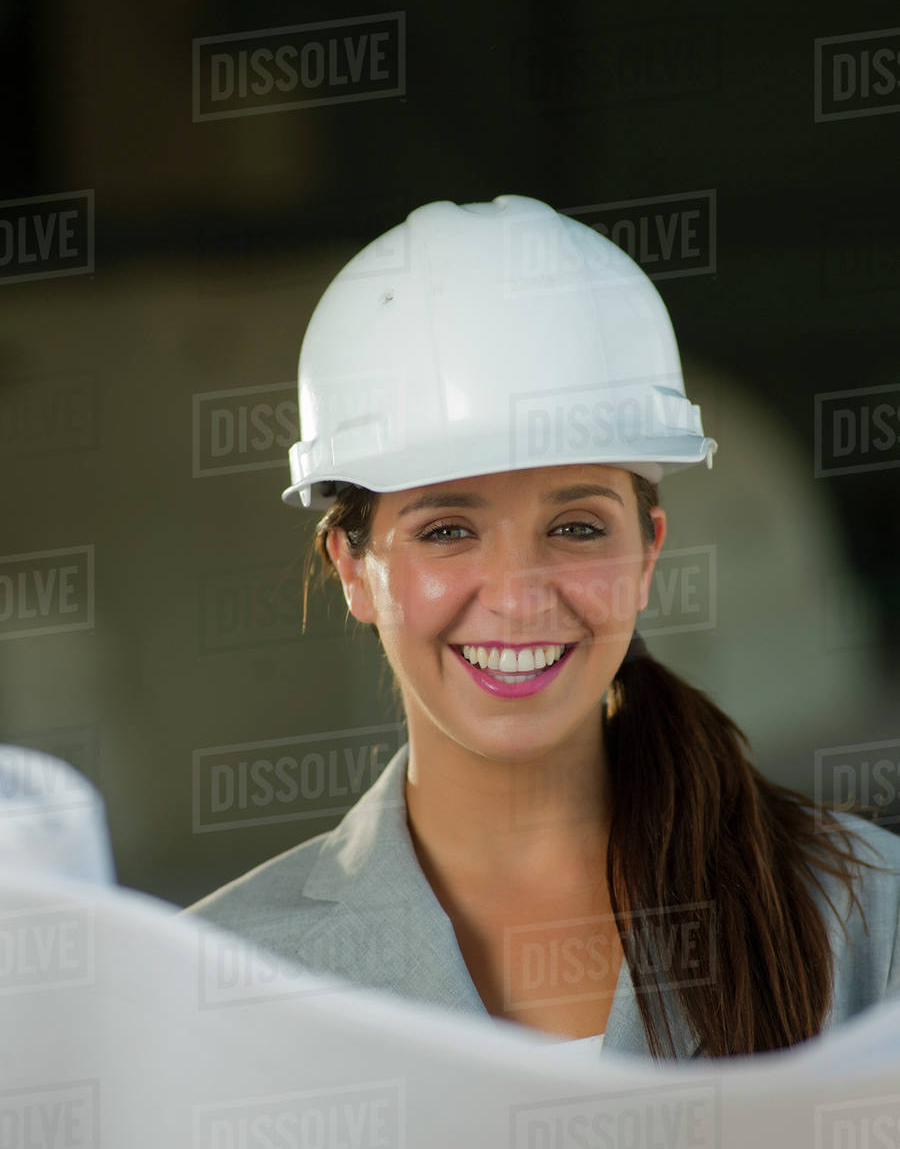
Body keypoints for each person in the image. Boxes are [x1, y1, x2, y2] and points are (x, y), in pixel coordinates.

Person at [185, 195, 900, 1060]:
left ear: (646, 553)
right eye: (447, 531)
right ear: (351, 565)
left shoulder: (867, 915)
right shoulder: (213, 983)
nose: (520, 598)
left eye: (577, 527)